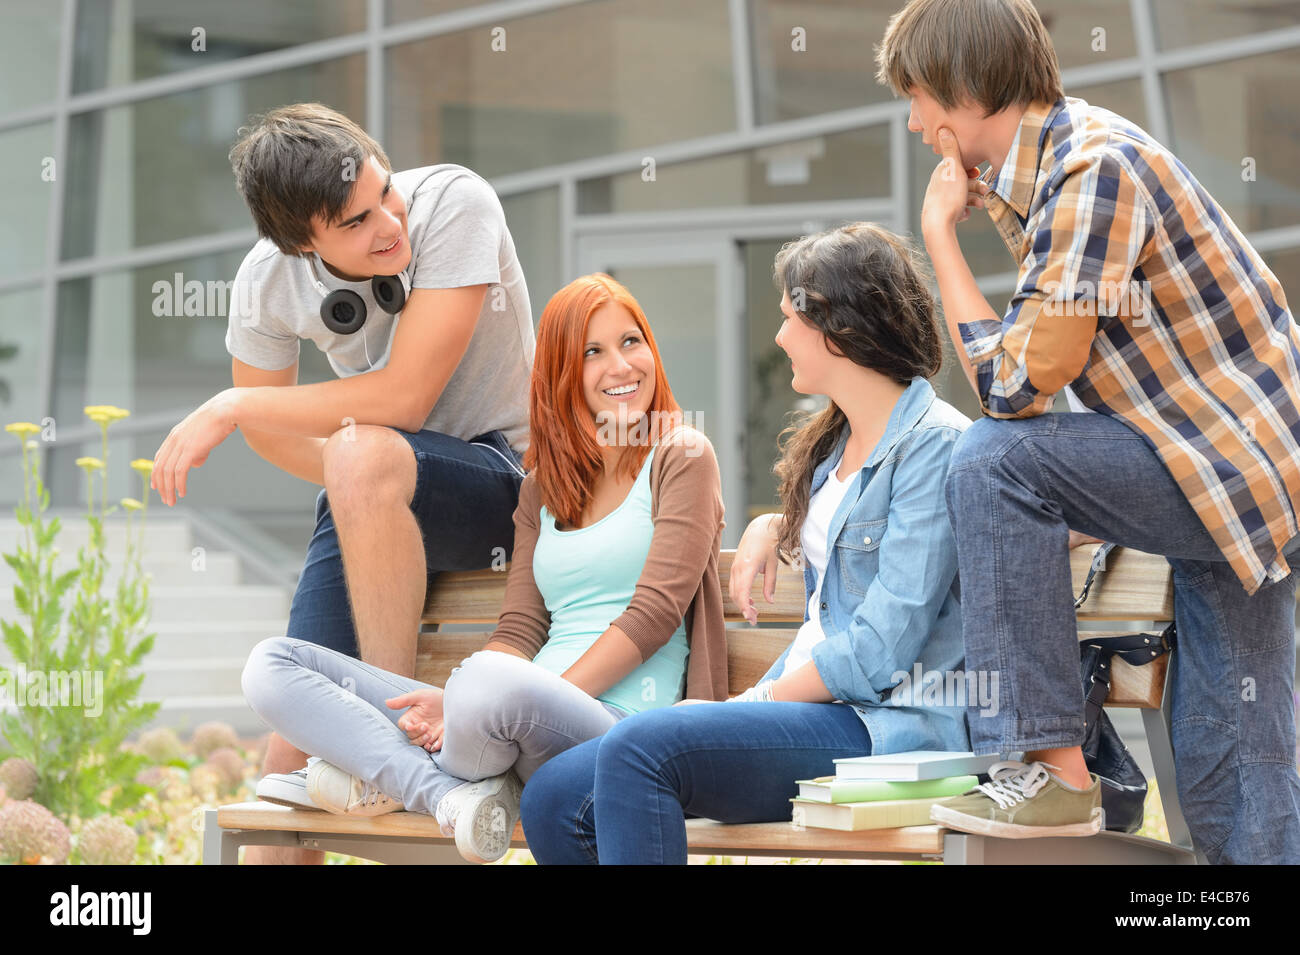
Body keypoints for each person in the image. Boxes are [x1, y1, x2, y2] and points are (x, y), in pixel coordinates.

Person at [877, 0, 1300, 862]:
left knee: (990, 461)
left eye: (918, 99)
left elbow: (1015, 387)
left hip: (1230, 469)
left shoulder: (1091, 171)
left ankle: (1055, 768)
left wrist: (938, 242)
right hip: (1228, 479)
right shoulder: (1058, 170)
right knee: (1234, 762)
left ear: (963, 88)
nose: (917, 123)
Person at [149, 104, 536, 864]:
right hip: (378, 476)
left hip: (506, 483)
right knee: (284, 771)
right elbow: (278, 438)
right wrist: (360, 487)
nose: (391, 223)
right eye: (358, 222)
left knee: (361, 450)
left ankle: (384, 745)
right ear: (302, 243)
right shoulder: (267, 280)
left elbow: (405, 397)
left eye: (386, 192)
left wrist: (236, 402)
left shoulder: (456, 203)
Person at [519, 223, 972, 865]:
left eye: (791, 318)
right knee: (553, 795)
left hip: (886, 725)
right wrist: (774, 526)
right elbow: (834, 585)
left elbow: (879, 652)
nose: (780, 335)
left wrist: (759, 701)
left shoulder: (935, 446)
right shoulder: (833, 452)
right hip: (818, 711)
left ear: (839, 329)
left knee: (643, 749)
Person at [240, 273, 728, 864]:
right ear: (562, 377)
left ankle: (392, 775)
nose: (621, 365)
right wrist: (466, 698)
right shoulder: (543, 488)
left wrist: (487, 698)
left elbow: (654, 614)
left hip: (619, 725)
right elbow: (520, 628)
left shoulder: (681, 455)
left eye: (631, 341)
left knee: (487, 685)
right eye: (591, 352)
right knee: (273, 663)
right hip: (512, 713)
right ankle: (450, 797)